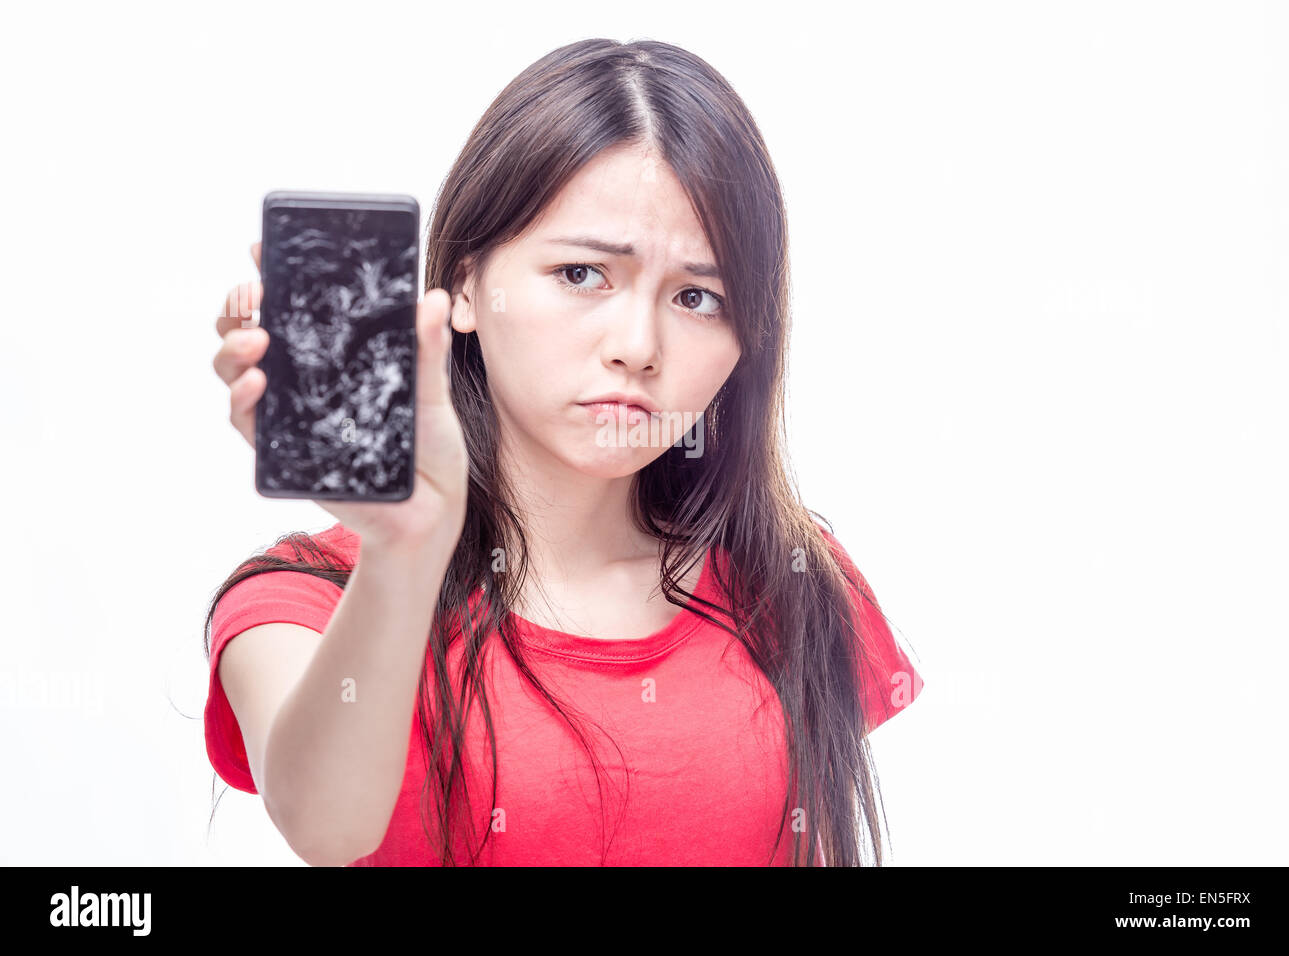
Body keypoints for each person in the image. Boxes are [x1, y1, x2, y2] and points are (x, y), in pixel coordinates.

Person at [205, 37, 923, 867]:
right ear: (467, 284)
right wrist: (406, 545)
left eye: (698, 296)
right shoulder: (304, 597)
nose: (638, 344)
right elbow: (327, 829)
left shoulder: (792, 583)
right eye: (584, 275)